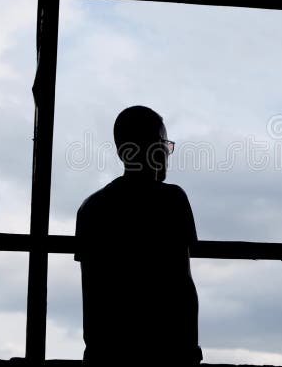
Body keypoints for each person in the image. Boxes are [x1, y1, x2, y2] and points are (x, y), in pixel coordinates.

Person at [74, 105, 202, 366]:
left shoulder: (91, 208)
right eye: (164, 144)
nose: (167, 152)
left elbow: (93, 295)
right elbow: (183, 287)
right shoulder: (172, 201)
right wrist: (190, 352)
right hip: (165, 354)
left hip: (106, 356)